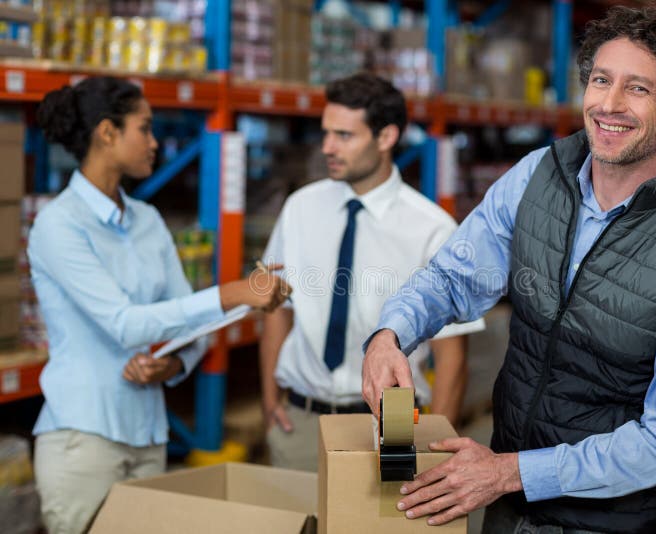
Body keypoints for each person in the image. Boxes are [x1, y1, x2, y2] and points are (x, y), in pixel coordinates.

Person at [362, 6, 656, 533]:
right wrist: (391, 333)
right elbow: (454, 276)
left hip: (611, 522)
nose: (608, 105)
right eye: (600, 80)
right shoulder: (536, 177)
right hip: (507, 509)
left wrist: (511, 473)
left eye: (637, 89)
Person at [29, 76, 291, 534]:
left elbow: (189, 319)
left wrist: (172, 367)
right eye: (144, 129)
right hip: (82, 441)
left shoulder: (147, 221)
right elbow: (126, 325)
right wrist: (233, 293)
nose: (154, 143)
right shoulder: (59, 226)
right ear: (107, 133)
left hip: (149, 437)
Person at [259, 72, 484, 472]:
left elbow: (453, 357)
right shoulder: (300, 209)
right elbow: (279, 307)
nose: (328, 147)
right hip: (300, 418)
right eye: (326, 133)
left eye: (344, 135)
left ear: (386, 138)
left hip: (390, 423)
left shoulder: (432, 229)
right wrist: (268, 399)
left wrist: (434, 447)